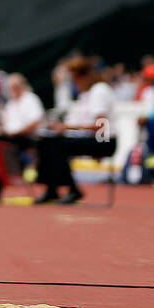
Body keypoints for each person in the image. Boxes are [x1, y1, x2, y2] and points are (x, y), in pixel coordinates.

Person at [34, 56, 115, 204]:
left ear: (83, 77)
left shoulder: (99, 91)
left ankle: (71, 189)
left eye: (74, 80)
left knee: (56, 145)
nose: (74, 85)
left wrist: (66, 127)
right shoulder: (87, 94)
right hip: (92, 138)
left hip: (103, 140)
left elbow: (101, 126)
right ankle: (52, 189)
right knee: (46, 142)